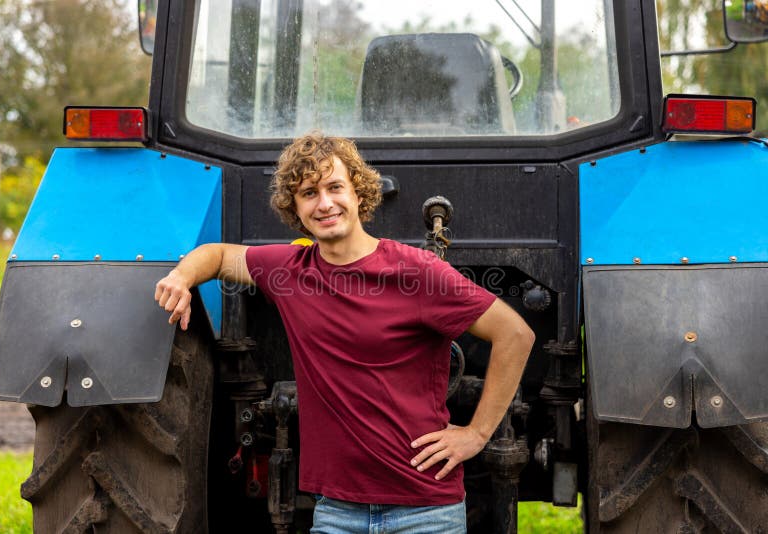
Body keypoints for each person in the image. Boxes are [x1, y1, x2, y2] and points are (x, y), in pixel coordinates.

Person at [154, 132, 534, 533]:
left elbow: (515, 334)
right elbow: (217, 254)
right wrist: (181, 277)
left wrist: (477, 434)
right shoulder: (290, 271)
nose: (325, 203)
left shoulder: (417, 272)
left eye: (335, 187)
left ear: (358, 193)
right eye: (308, 193)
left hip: (425, 512)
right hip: (337, 513)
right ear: (294, 207)